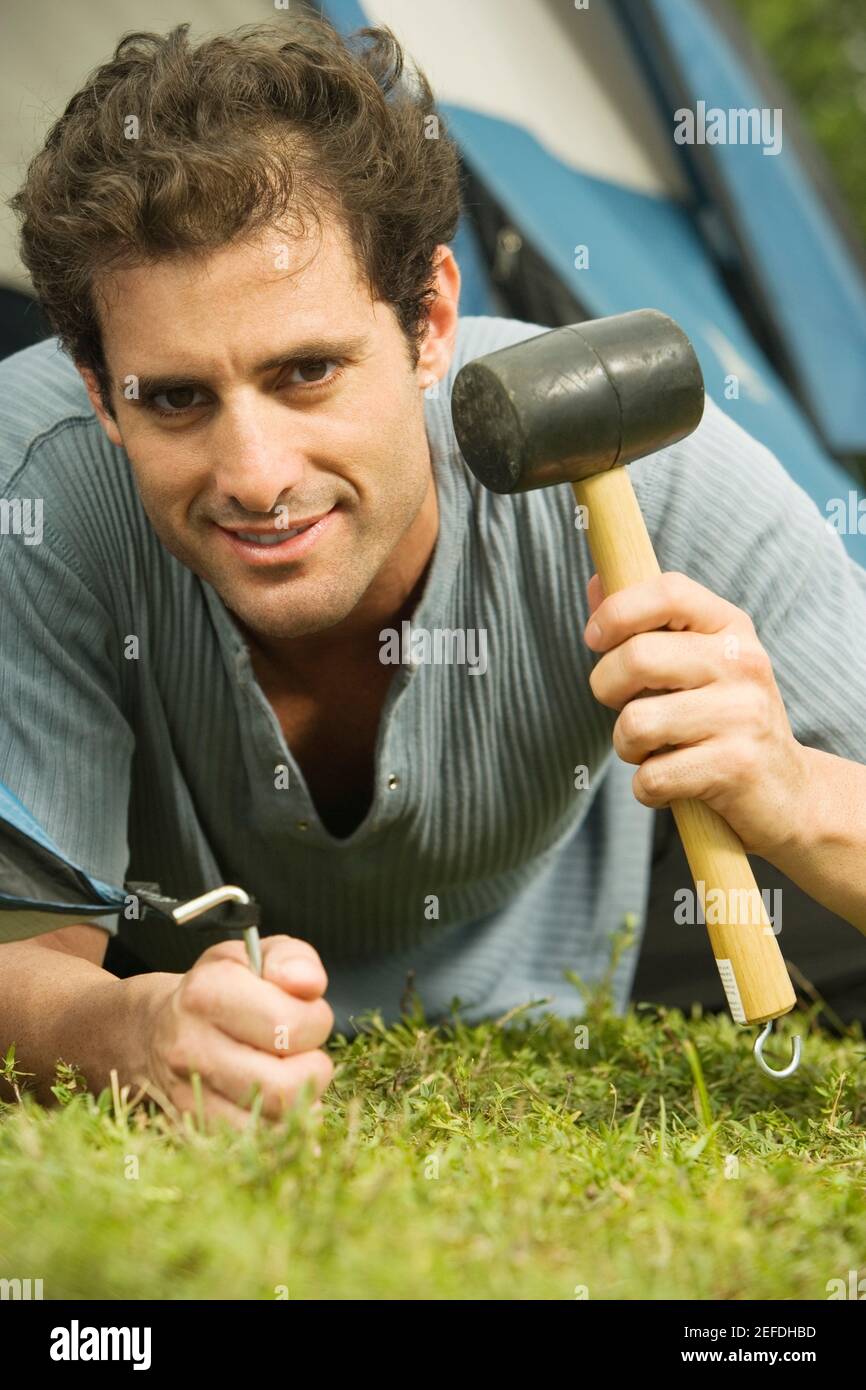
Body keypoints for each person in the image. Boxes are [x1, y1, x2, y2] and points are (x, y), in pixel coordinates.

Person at [1, 17, 865, 1128]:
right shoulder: (31, 492)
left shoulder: (664, 476)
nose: (256, 476)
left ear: (430, 323)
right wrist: (124, 1031)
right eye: (173, 398)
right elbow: (27, 949)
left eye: (306, 370)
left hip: (596, 920)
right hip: (165, 957)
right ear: (95, 389)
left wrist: (790, 793)